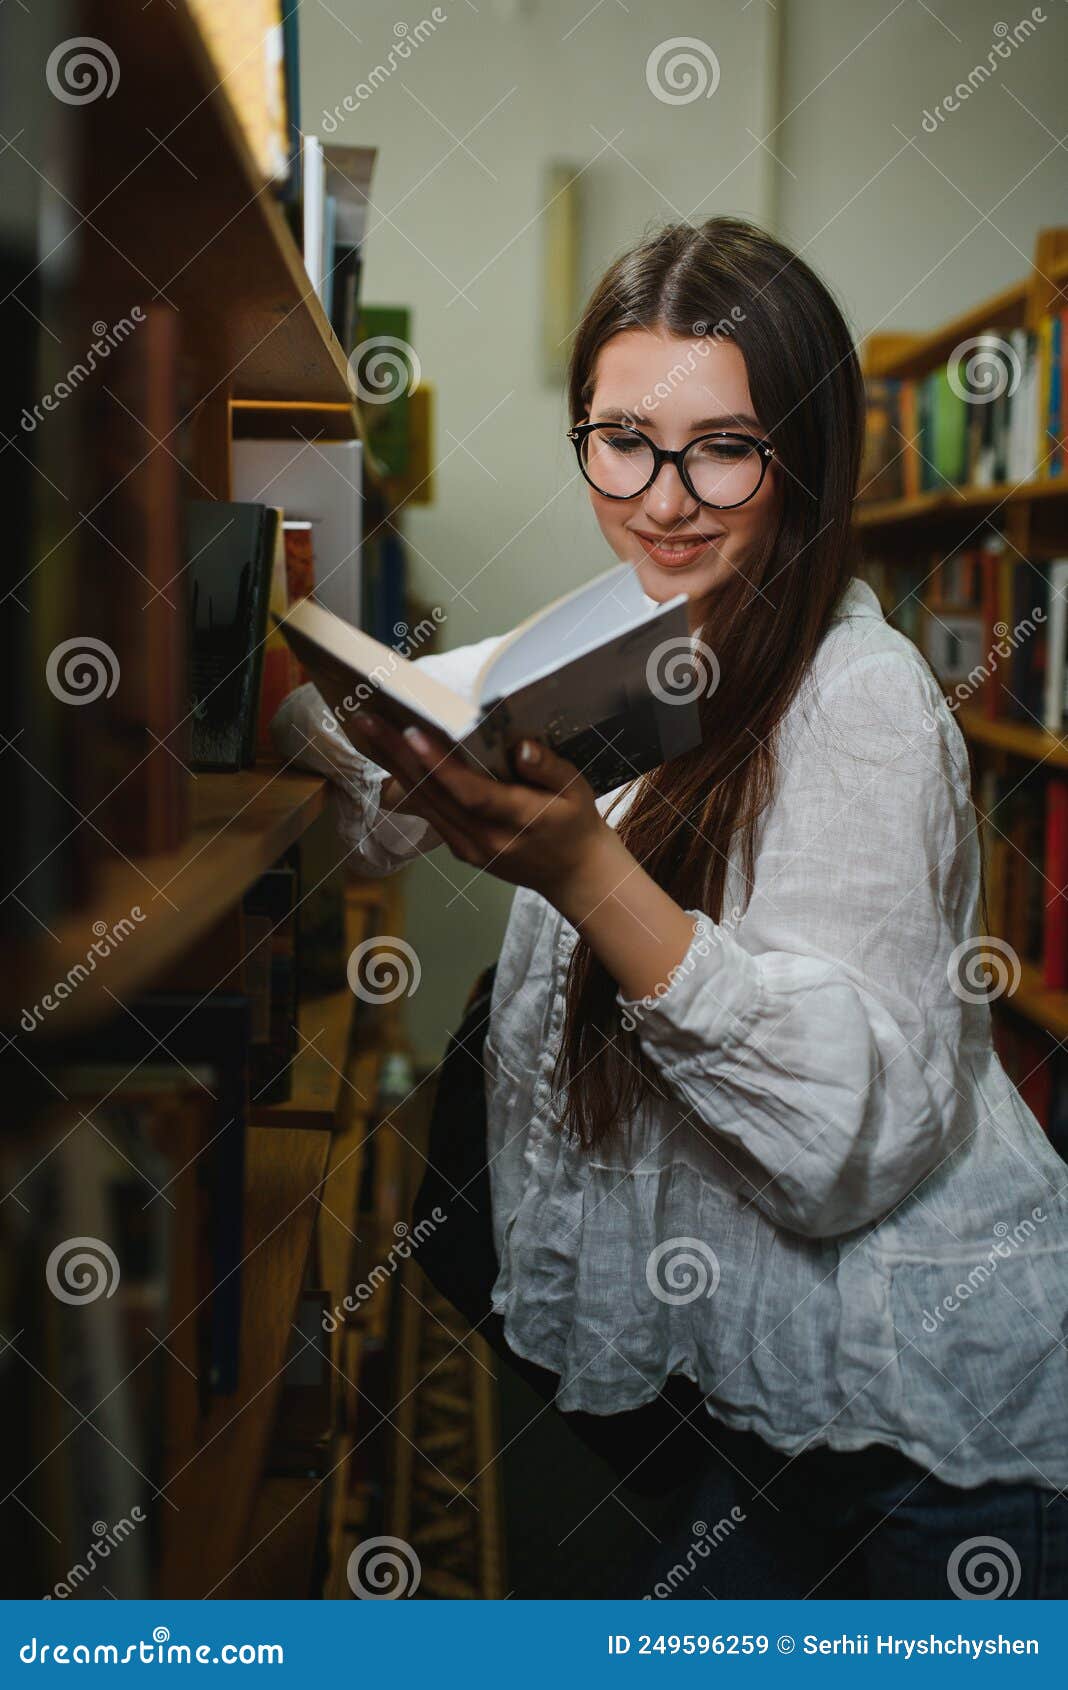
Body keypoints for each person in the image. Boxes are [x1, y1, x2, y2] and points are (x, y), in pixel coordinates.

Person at [273, 217, 1068, 1599]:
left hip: (939, 1443)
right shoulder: (655, 635)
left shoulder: (859, 700)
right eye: (621, 437)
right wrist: (265, 665)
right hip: (780, 1418)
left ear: (803, 461)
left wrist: (584, 872)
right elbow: (415, 747)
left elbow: (837, 1145)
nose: (663, 498)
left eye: (724, 447)